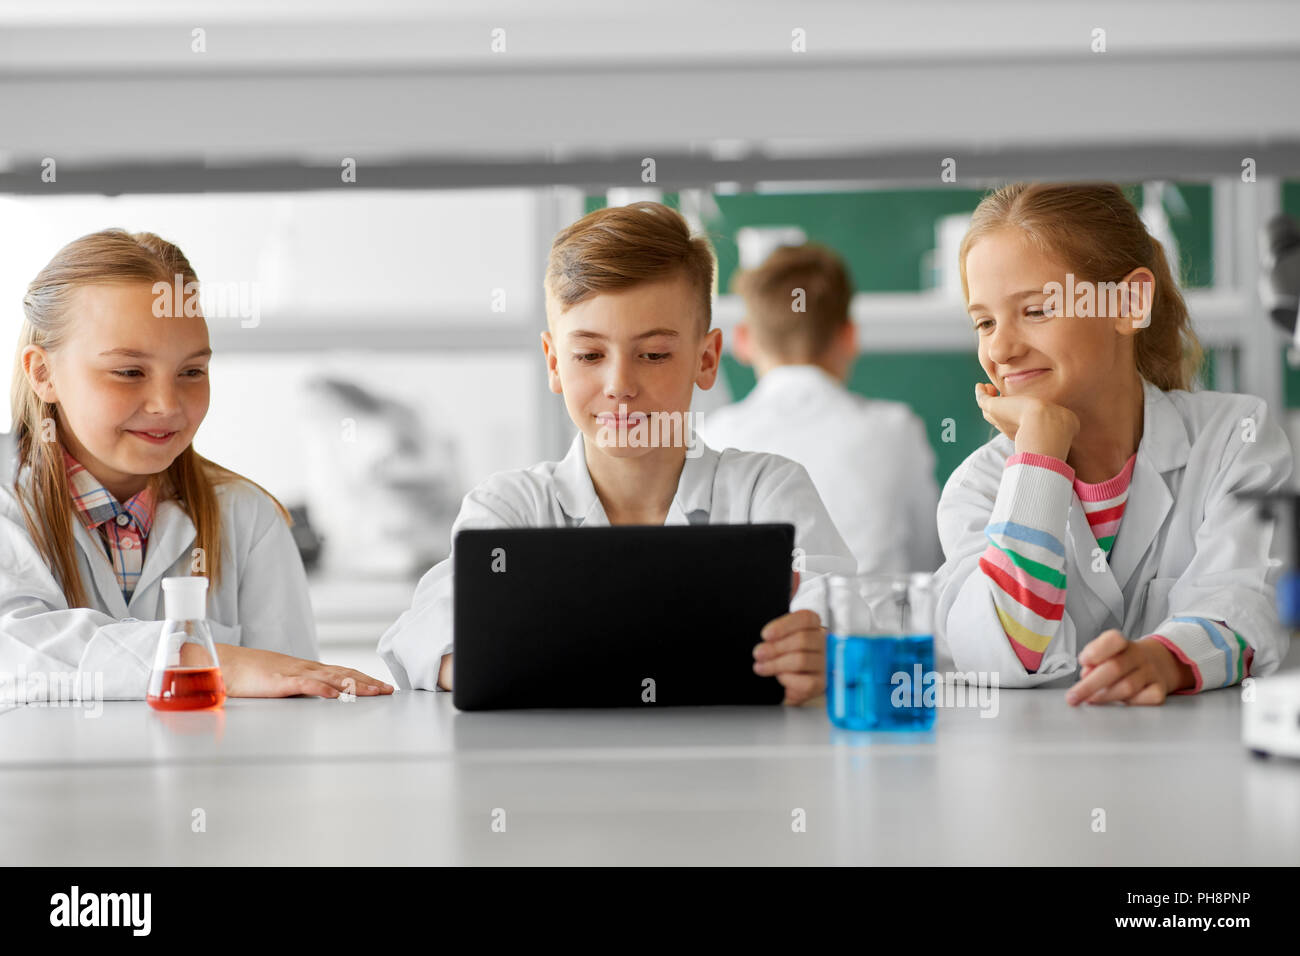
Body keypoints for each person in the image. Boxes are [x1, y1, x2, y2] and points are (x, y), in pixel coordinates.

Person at [379, 203, 856, 704]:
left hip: (733, 774)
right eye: (588, 355)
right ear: (554, 363)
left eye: (653, 355)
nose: (620, 385)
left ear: (707, 358)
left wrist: (821, 646)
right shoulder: (509, 508)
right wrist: (483, 660)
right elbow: (419, 636)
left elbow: (843, 608)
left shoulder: (767, 490)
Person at [934, 182, 1292, 704]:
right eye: (984, 322)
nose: (1000, 348)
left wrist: (1164, 660)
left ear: (1128, 303)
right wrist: (1037, 458)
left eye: (1035, 310)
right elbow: (1009, 652)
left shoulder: (1235, 438)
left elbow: (1246, 604)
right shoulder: (982, 487)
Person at [0, 229, 393, 700]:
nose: (167, 404)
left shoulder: (248, 520)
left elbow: (295, 703)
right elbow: (15, 653)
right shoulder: (10, 504)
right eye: (129, 372)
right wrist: (208, 660)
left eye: (191, 371)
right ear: (43, 373)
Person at [699, 243, 942, 574]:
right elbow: (927, 566)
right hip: (875, 626)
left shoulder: (713, 435)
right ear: (849, 337)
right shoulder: (897, 430)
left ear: (742, 340)